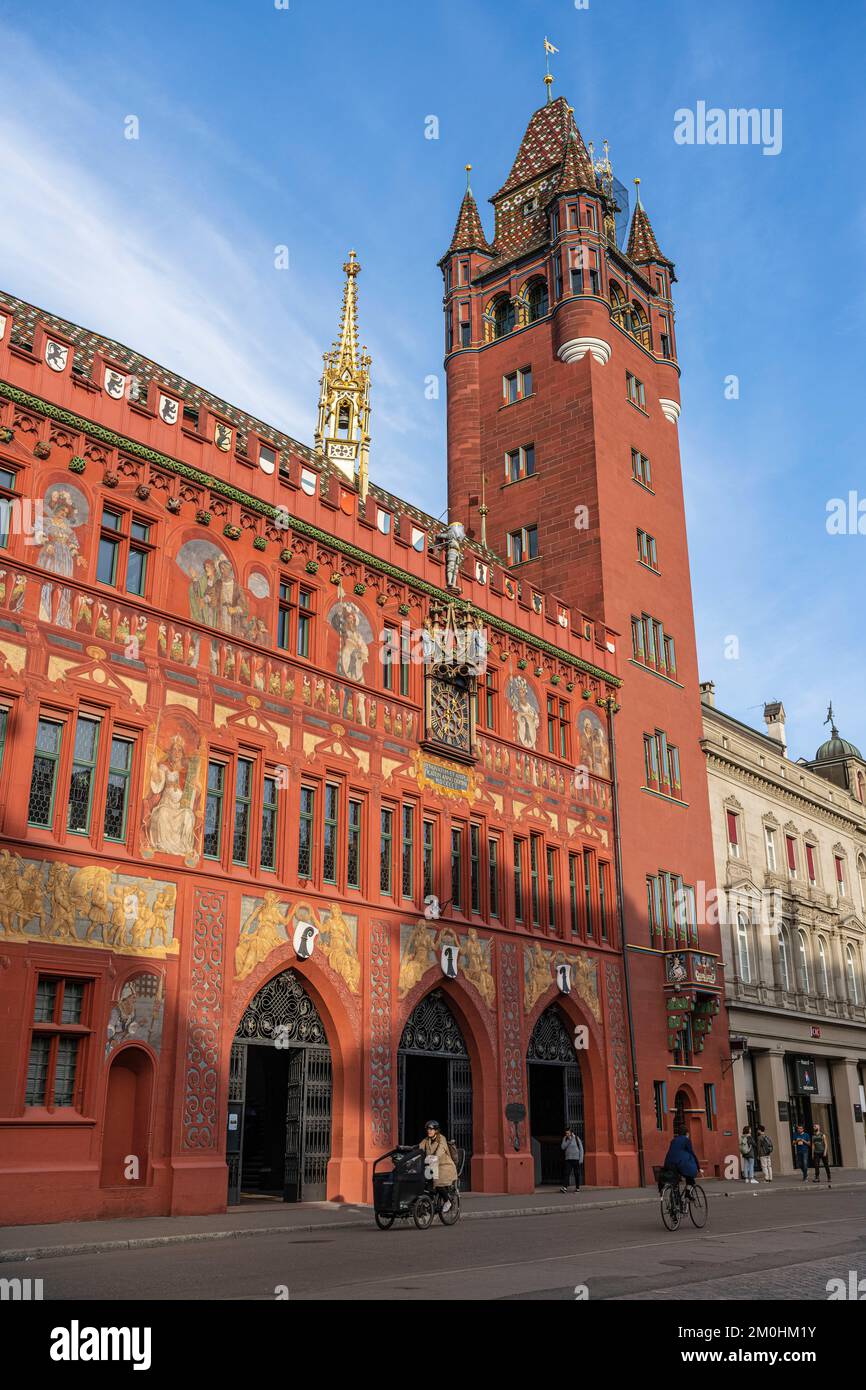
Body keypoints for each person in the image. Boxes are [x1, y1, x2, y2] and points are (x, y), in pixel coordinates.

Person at [419, 1121, 458, 1213]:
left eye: (431, 1129)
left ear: (436, 1130)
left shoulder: (442, 1139)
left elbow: (439, 1152)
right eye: (428, 1129)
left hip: (445, 1166)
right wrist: (408, 1151)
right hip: (433, 1166)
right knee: (423, 1180)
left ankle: (447, 1201)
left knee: (438, 1183)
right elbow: (419, 1147)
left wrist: (433, 1158)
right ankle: (430, 1200)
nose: (429, 1131)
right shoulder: (426, 1140)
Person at [661, 1125, 702, 1195]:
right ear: (687, 1133)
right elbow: (692, 1153)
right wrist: (698, 1167)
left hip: (668, 1164)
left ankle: (675, 1201)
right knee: (690, 1178)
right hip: (679, 1164)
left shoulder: (673, 1140)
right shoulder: (686, 1140)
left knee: (675, 1182)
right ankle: (687, 1194)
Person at [560, 1128, 584, 1193]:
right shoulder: (565, 1139)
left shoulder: (576, 1138)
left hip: (576, 1159)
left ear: (571, 1133)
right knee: (566, 1173)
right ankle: (564, 1187)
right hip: (568, 1159)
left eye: (568, 1133)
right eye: (566, 1133)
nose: (567, 1134)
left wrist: (581, 1159)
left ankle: (577, 1188)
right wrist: (569, 1140)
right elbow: (563, 1147)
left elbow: (581, 1149)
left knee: (577, 1174)